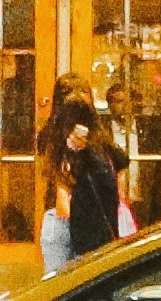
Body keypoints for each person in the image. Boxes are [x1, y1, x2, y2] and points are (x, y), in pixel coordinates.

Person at [48, 96, 127, 269]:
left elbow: (66, 199)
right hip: (108, 226)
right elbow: (123, 160)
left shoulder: (78, 154)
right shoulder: (103, 145)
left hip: (86, 229)